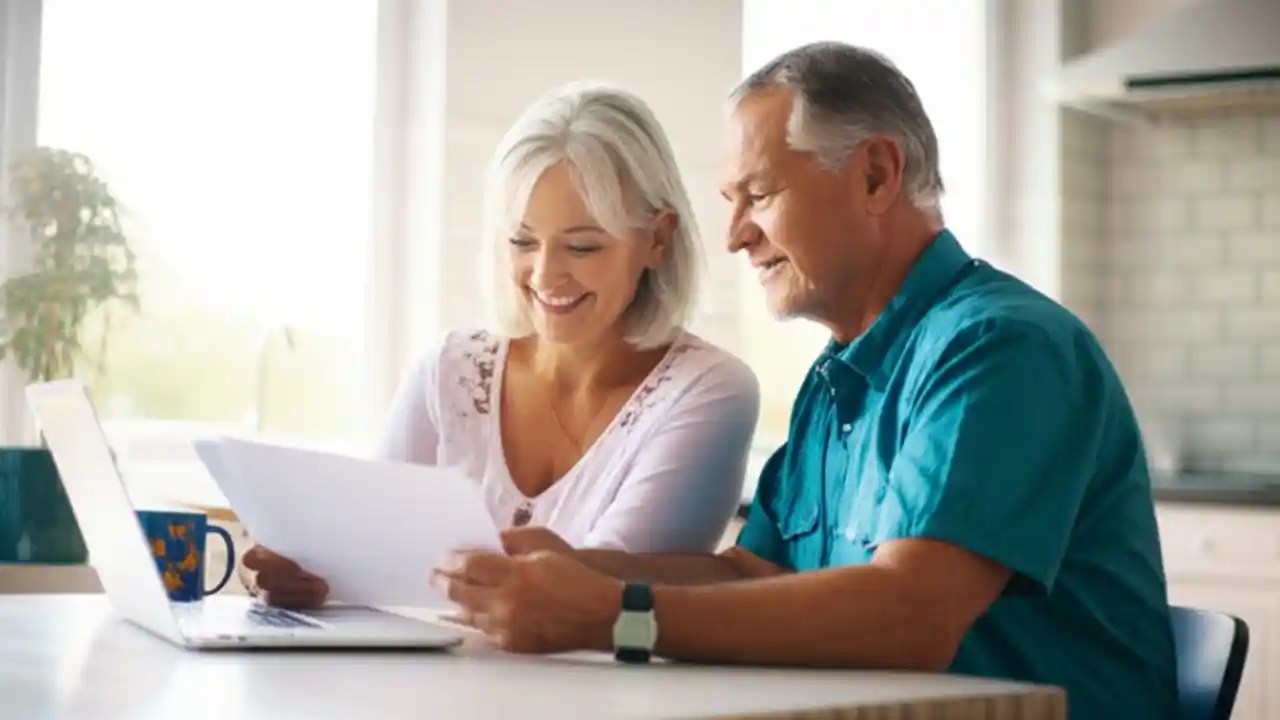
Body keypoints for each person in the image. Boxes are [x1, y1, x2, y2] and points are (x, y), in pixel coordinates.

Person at [432, 43, 1178, 719]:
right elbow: (752, 571)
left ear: (877, 175)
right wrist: (574, 568)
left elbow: (911, 613)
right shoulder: (837, 375)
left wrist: (611, 613)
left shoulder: (1001, 348)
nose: (734, 235)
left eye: (758, 195)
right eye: (730, 203)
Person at [244, 82, 760, 608]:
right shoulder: (450, 370)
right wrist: (310, 570)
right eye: (522, 241)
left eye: (582, 246)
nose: (544, 274)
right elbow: (361, 551)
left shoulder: (709, 392)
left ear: (657, 239)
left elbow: (594, 597)